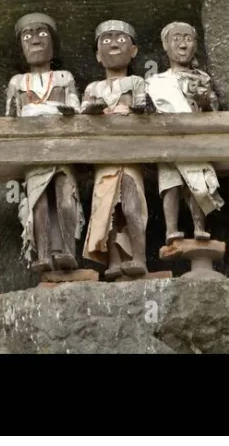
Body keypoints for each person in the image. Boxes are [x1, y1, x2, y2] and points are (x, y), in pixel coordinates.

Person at [6, 12, 84, 273]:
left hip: (61, 147)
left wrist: (67, 112)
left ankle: (67, 251)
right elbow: (11, 118)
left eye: (42, 33)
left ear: (53, 44)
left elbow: (75, 108)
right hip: (33, 149)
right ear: (21, 47)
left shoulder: (64, 78)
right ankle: (42, 254)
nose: (35, 40)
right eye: (27, 36)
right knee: (38, 202)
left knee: (65, 200)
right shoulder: (18, 82)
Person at [80, 20, 149, 280]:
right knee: (106, 207)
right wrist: (91, 111)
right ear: (98, 55)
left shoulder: (137, 82)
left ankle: (139, 257)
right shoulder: (92, 88)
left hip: (130, 151)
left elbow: (144, 109)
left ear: (134, 50)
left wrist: (136, 110)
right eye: (106, 39)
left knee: (131, 205)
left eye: (120, 38)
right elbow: (82, 116)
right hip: (104, 153)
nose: (113, 43)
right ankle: (115, 260)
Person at [147, 21, 224, 242]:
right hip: (168, 141)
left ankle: (199, 227)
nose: (183, 45)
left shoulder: (203, 78)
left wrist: (206, 102)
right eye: (177, 39)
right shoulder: (156, 82)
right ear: (166, 45)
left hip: (195, 140)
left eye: (188, 39)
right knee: (170, 184)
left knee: (197, 183)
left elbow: (214, 110)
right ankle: (171, 229)